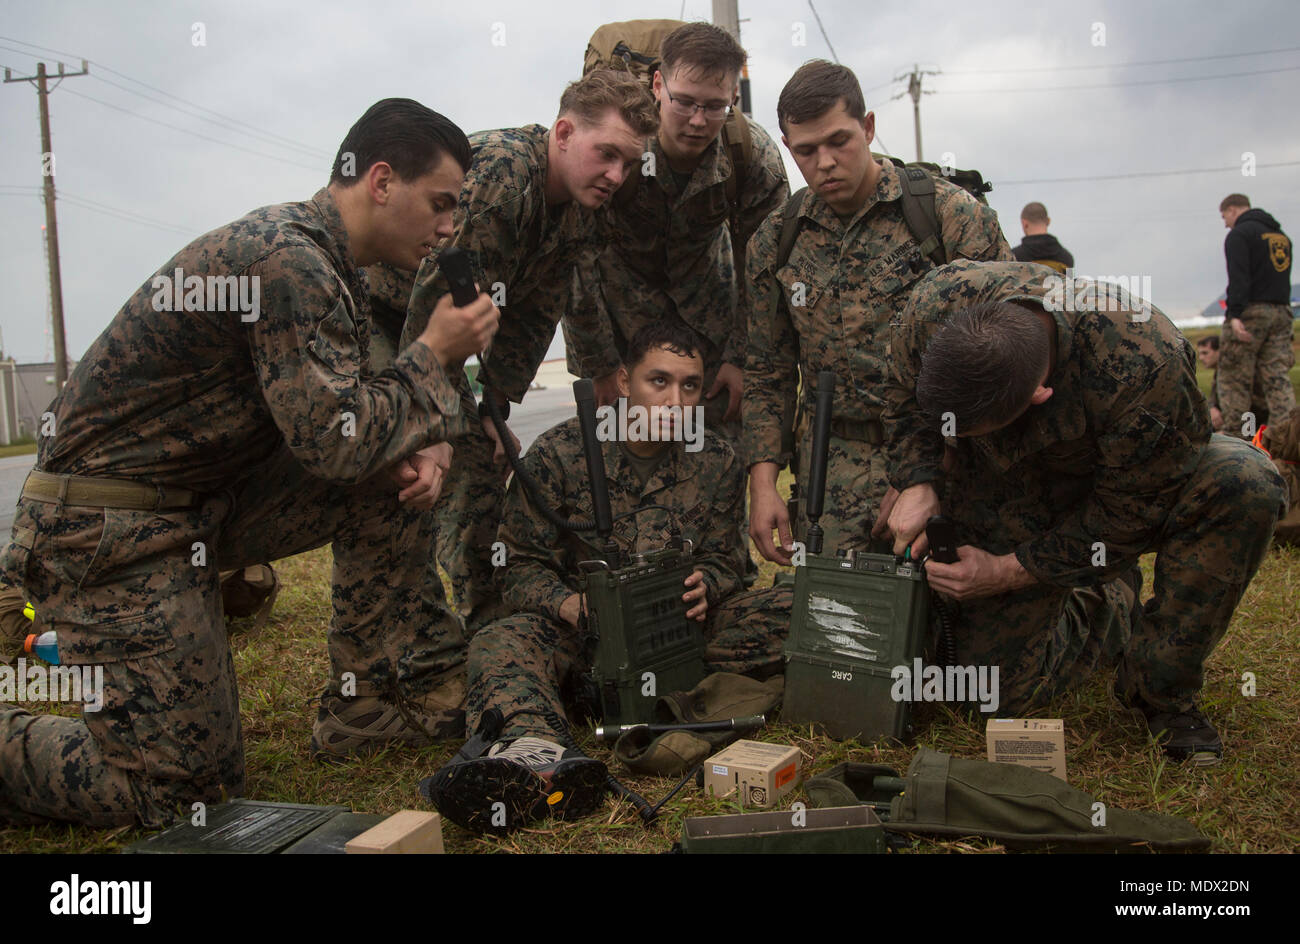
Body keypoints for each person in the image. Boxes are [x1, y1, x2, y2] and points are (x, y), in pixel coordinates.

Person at [0, 99, 501, 827]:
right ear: (382, 181)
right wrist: (433, 352)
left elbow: (344, 428)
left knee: (389, 480)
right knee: (181, 795)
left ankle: (360, 705)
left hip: (193, 509)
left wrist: (415, 439)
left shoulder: (331, 265)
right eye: (441, 203)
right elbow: (337, 443)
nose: (449, 227)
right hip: (105, 530)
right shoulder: (287, 260)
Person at [880, 259, 1287, 763]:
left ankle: (1152, 673)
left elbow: (1126, 519)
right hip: (1010, 483)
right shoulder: (937, 301)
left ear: (1039, 394)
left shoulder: (1147, 365)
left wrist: (1005, 571)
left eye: (964, 429)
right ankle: (1091, 598)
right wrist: (918, 480)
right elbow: (900, 395)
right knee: (989, 690)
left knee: (1244, 481)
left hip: (1120, 484)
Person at [425, 323, 790, 833]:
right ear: (623, 382)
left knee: (796, 608)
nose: (674, 401)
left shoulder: (717, 460)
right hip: (588, 645)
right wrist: (570, 605)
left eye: (689, 386)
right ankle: (536, 756)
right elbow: (517, 564)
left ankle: (688, 694)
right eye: (658, 381)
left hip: (683, 635)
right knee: (500, 642)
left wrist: (707, 582)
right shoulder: (561, 453)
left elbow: (728, 561)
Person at [369, 70, 659, 637]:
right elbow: (436, 306)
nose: (616, 175)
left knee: (480, 461)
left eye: (628, 163)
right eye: (606, 154)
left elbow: (535, 313)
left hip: (432, 331)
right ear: (564, 133)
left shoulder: (580, 208)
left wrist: (494, 410)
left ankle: (485, 625)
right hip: (380, 316)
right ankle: (416, 641)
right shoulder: (504, 175)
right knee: (408, 468)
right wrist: (432, 425)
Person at [745, 59, 1011, 566]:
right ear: (787, 147)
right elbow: (766, 371)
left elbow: (1005, 354)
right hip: (833, 467)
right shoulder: (777, 241)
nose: (825, 162)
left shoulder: (949, 217)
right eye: (806, 150)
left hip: (951, 455)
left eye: (839, 141)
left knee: (955, 599)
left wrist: (928, 469)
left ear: (868, 127)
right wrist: (763, 485)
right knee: (830, 607)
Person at [561, 21, 790, 460]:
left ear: (734, 98)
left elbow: (766, 268)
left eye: (715, 106)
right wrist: (600, 363)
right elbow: (576, 259)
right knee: (618, 456)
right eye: (683, 102)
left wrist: (740, 358)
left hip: (711, 321)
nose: (698, 121)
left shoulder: (751, 155)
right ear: (657, 86)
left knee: (715, 460)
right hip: (621, 323)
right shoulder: (621, 146)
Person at [1217, 194, 1295, 439]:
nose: (1225, 223)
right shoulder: (1281, 236)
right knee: (1276, 378)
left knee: (1235, 377)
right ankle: (1286, 439)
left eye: (1224, 216)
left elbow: (1239, 278)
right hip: (1281, 311)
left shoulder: (1239, 235)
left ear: (1233, 210)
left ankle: (1237, 440)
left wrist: (1235, 313)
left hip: (1251, 313)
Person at [1195, 334, 1268, 432]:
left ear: (1220, 351)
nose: (1201, 358)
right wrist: (1212, 407)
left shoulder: (1234, 373)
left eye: (1205, 353)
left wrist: (1228, 433)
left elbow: (1240, 410)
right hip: (1242, 423)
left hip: (1253, 425)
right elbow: (1214, 399)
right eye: (1200, 354)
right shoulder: (1220, 372)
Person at [1010, 201, 1074, 273]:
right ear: (1048, 221)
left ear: (1024, 223)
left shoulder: (1013, 258)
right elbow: (1070, 280)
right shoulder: (1067, 258)